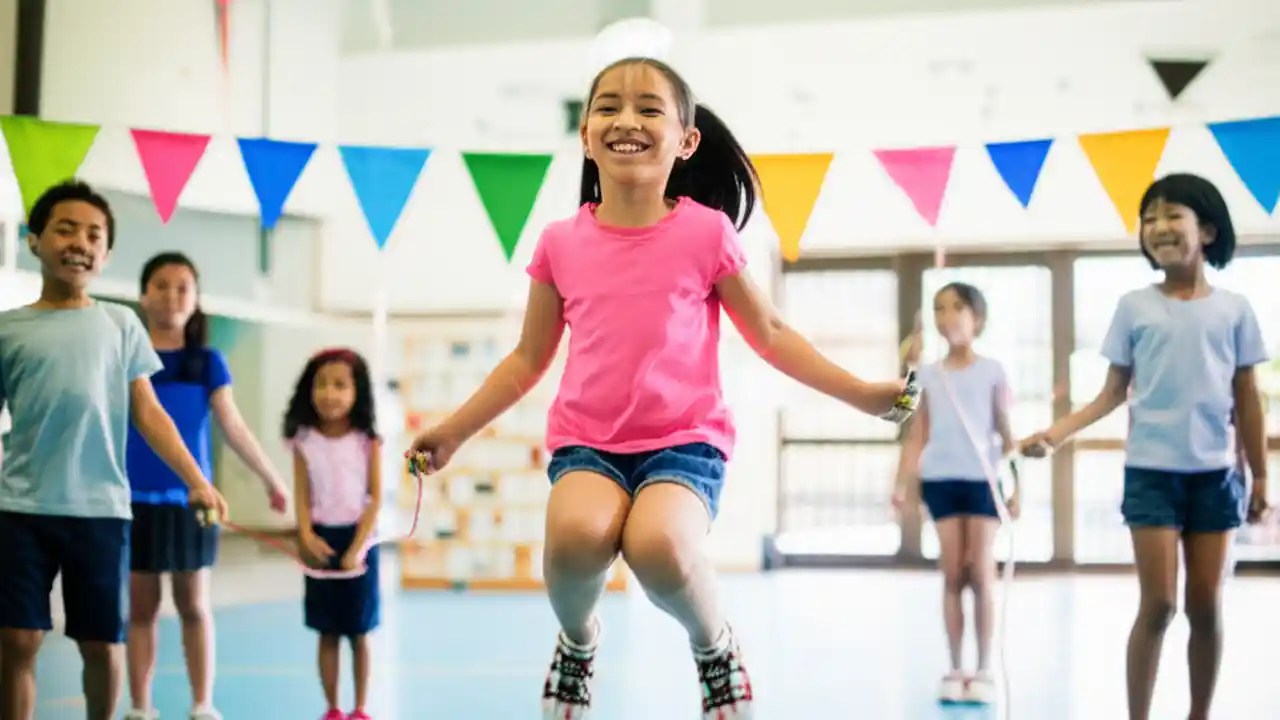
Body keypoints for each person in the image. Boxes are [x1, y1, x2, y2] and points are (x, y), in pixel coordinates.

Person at [406, 56, 916, 720]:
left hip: (685, 442)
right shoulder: (561, 242)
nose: (627, 120)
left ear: (686, 139)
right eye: (609, 107)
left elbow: (770, 332)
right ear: (586, 133)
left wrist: (864, 393)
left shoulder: (706, 233)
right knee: (572, 541)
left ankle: (715, 647)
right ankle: (578, 642)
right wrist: (453, 431)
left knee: (660, 546)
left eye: (650, 109)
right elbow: (526, 361)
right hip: (588, 443)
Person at [1020, 172, 1270, 720]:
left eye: (1171, 215)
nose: (1157, 226)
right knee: (1158, 605)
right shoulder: (1134, 306)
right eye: (1149, 217)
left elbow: (1248, 399)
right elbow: (1112, 392)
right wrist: (1056, 435)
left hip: (1214, 477)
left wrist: (1259, 477)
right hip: (1151, 475)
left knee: (1205, 608)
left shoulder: (1234, 310)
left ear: (1205, 230)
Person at [0, 180, 227, 720]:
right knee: (17, 640)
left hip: (99, 510)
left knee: (101, 643)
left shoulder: (120, 324)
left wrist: (197, 479)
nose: (79, 240)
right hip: (20, 509)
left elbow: (150, 413)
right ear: (34, 240)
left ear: (106, 254)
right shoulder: (9, 330)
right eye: (65, 228)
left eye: (93, 233)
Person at [124, 252, 290, 720]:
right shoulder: (127, 358)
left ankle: (202, 704)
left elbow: (233, 426)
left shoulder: (206, 362)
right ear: (143, 295)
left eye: (183, 287)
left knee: (194, 604)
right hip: (133, 499)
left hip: (193, 501)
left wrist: (272, 479)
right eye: (161, 285)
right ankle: (140, 706)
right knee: (141, 608)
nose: (172, 295)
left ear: (196, 300)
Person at [893, 282, 1020, 705]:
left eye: (957, 309)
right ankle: (954, 667)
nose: (947, 317)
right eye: (939, 309)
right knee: (952, 573)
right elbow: (906, 420)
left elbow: (1006, 432)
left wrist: (1019, 484)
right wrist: (902, 484)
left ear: (977, 319)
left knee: (982, 573)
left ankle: (984, 670)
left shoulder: (994, 371)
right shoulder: (925, 374)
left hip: (983, 480)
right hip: (941, 480)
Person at [285, 348, 382, 720]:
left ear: (357, 391)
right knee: (327, 631)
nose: (330, 393)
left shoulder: (367, 440)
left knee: (359, 633)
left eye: (340, 385)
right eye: (322, 384)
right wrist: (306, 536)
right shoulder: (303, 440)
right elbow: (302, 495)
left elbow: (374, 499)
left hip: (360, 541)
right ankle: (333, 708)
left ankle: (360, 708)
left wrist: (358, 547)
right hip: (321, 539)